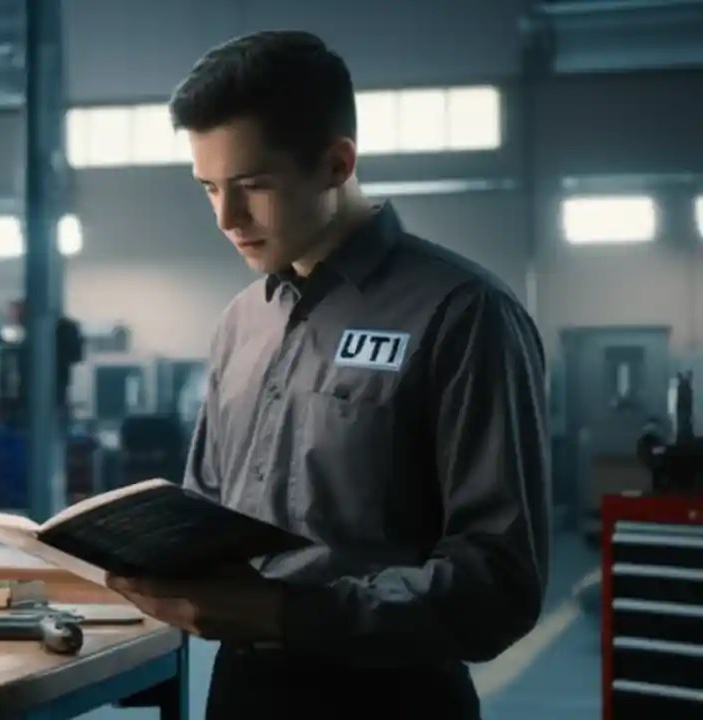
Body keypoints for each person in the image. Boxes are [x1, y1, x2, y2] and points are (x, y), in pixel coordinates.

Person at [104, 30, 551, 718]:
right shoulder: (241, 322)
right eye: (209, 189)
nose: (227, 218)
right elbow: (208, 510)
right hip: (241, 691)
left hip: (390, 696)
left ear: (337, 164)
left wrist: (287, 612)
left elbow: (498, 583)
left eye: (253, 186)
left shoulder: (463, 314)